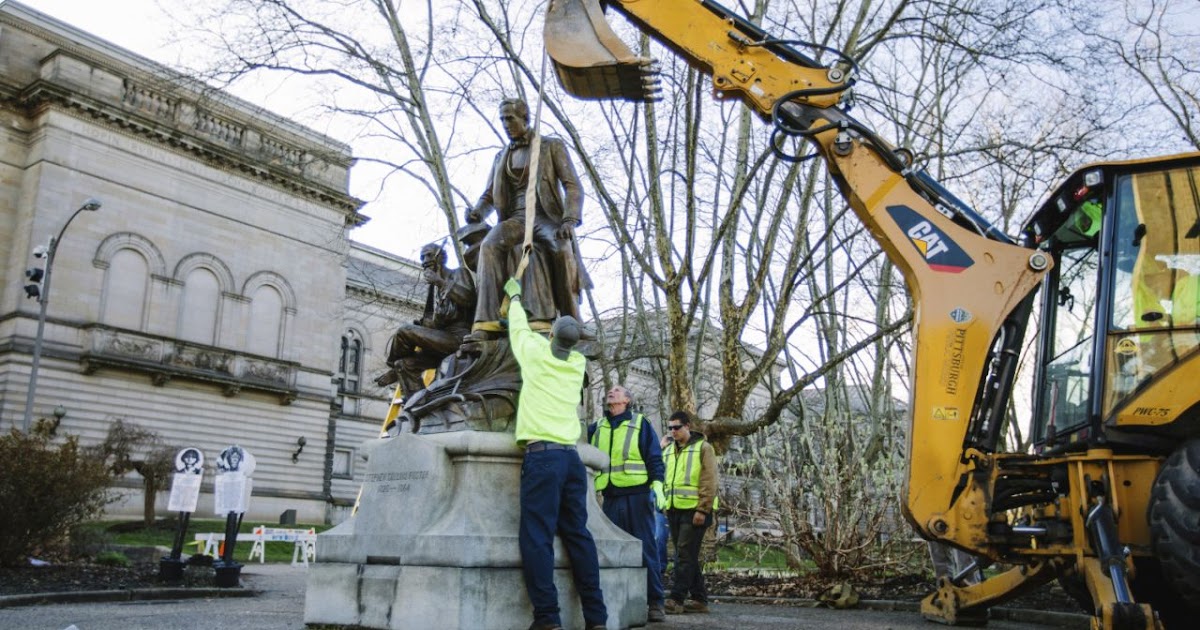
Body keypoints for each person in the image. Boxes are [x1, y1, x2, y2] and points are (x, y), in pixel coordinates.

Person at [504, 276, 606, 630]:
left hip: (543, 457)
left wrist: (515, 296)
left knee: (537, 536)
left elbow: (517, 328)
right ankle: (597, 618)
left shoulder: (534, 355)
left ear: (549, 337)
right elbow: (565, 344)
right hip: (572, 461)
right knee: (578, 534)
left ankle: (547, 617)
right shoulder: (577, 366)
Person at [467, 97, 590, 328]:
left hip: (546, 218)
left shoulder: (551, 146)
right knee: (489, 246)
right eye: (502, 119)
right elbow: (489, 196)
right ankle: (486, 320)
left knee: (562, 250)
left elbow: (573, 186)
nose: (505, 124)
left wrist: (569, 219)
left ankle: (572, 319)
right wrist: (478, 212)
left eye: (510, 118)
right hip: (516, 219)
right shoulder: (500, 156)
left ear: (525, 118)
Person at [376, 223, 488, 397]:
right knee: (403, 365)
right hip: (440, 343)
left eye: (428, 255)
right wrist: (424, 325)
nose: (425, 260)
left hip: (458, 339)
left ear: (441, 257)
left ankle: (391, 369)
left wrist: (440, 282)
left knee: (404, 331)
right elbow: (437, 322)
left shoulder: (459, 274)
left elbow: (469, 299)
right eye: (422, 257)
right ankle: (420, 406)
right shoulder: (433, 291)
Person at [587, 385, 667, 622]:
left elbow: (654, 456)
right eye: (610, 390)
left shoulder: (640, 423)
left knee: (645, 548)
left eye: (618, 390)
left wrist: (658, 484)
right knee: (611, 549)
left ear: (627, 400)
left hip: (637, 495)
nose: (612, 392)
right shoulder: (597, 427)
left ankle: (655, 603)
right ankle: (617, 598)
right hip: (609, 496)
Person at [661, 410, 718, 615]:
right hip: (674, 508)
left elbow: (709, 479)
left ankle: (676, 599)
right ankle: (699, 599)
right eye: (670, 428)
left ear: (687, 426)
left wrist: (703, 508)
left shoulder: (703, 448)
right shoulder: (668, 450)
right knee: (686, 555)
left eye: (677, 427)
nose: (673, 431)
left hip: (695, 511)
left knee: (684, 554)